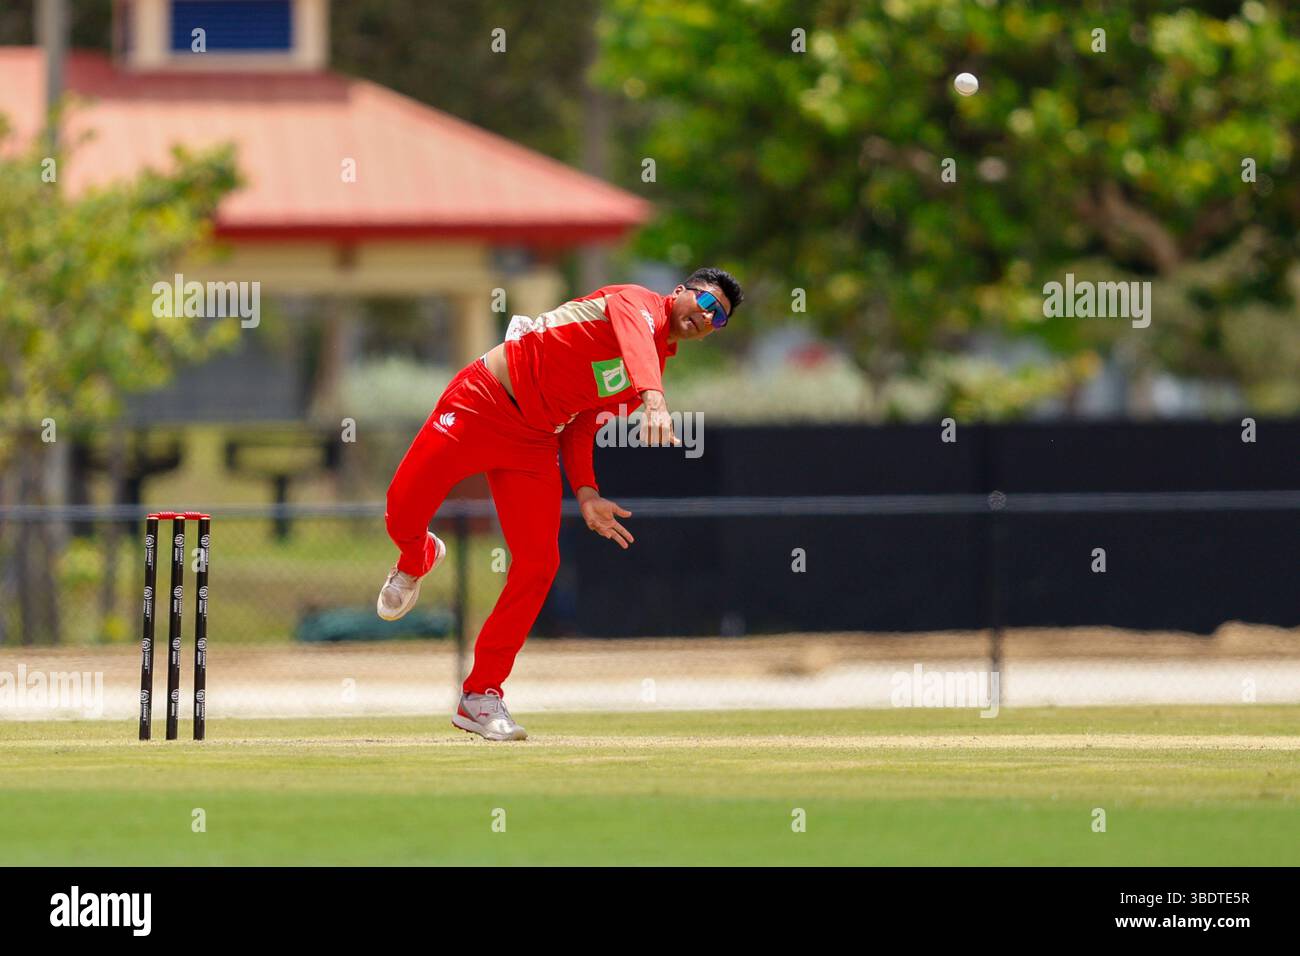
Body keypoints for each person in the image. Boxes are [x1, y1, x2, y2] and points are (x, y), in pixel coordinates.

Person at [377, 267, 743, 740]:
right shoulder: (635, 303)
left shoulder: (647, 369)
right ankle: (417, 556)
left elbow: (583, 421)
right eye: (707, 304)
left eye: (720, 320)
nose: (708, 319)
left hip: (533, 441)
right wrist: (655, 402)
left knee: (539, 563)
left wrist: (587, 491)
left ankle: (480, 695)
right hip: (482, 402)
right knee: (401, 510)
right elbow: (634, 339)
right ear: (680, 293)